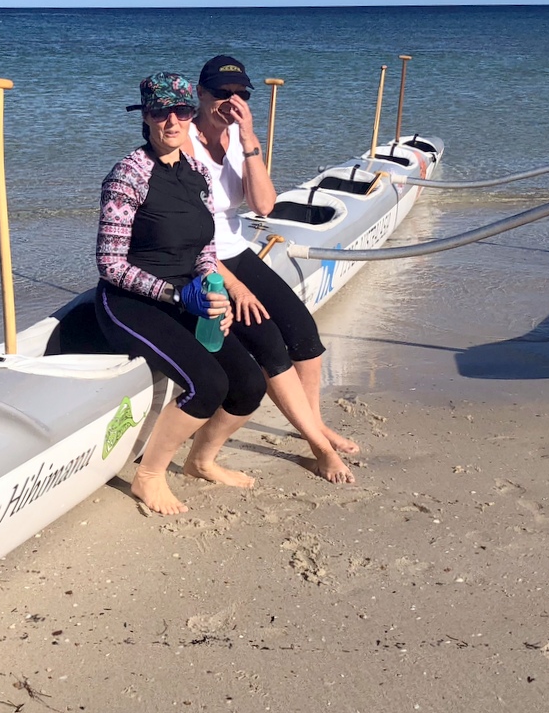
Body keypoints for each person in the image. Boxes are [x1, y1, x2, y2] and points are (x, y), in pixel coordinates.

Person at [94, 72, 266, 516]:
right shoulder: (127, 175)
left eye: (181, 111)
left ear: (192, 116)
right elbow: (110, 264)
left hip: (187, 294)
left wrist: (213, 291)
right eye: (160, 112)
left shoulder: (195, 174)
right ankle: (148, 475)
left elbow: (205, 247)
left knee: (248, 384)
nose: (172, 120)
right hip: (129, 302)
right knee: (206, 385)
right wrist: (176, 296)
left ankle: (201, 460)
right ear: (146, 119)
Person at [185, 55, 360, 484]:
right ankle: (319, 448)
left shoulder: (237, 140)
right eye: (222, 94)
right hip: (200, 257)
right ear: (200, 93)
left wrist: (248, 138)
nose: (232, 101)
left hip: (236, 248)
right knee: (271, 348)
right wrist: (234, 285)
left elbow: (264, 205)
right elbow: (186, 231)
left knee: (307, 340)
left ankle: (313, 425)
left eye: (241, 95)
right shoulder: (184, 141)